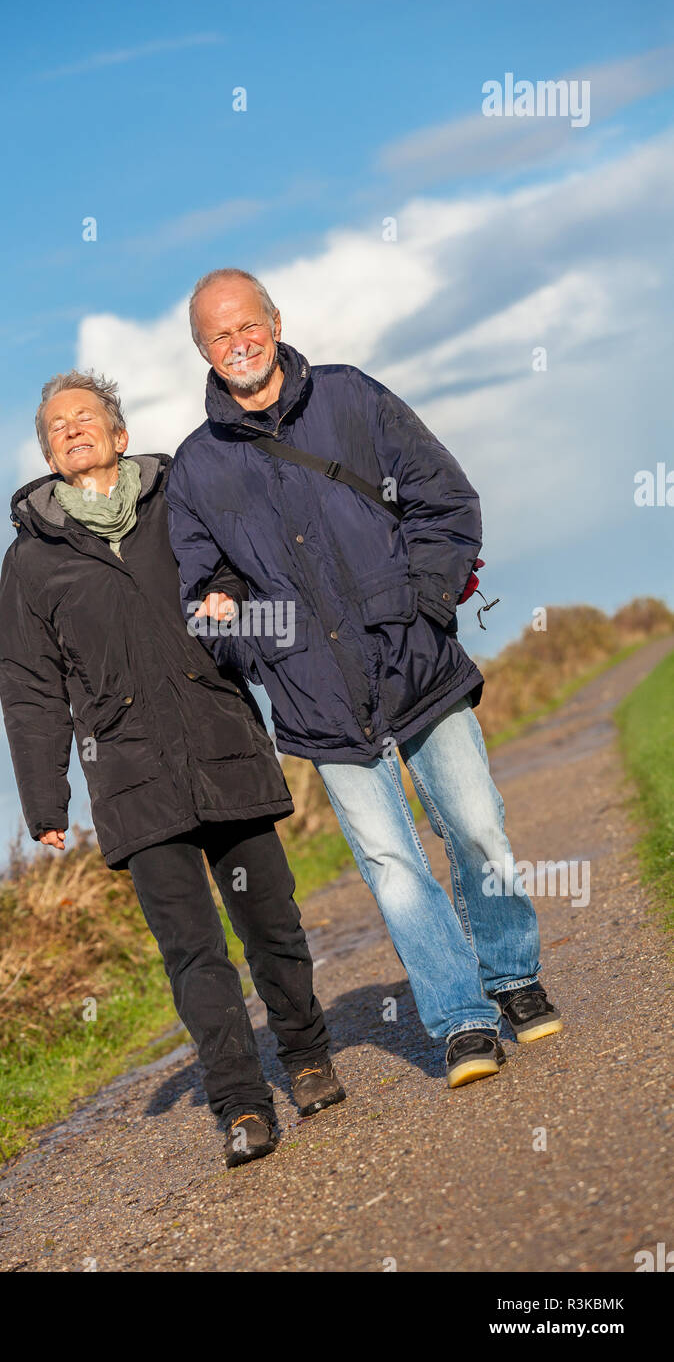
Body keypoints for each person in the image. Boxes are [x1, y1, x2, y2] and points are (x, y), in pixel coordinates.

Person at [165, 268, 562, 1090]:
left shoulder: (350, 396)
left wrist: (423, 602)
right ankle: (462, 1018)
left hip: (417, 660)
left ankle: (513, 975)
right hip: (319, 698)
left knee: (478, 826)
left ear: (274, 322)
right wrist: (270, 644)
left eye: (248, 325)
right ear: (200, 350)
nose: (238, 342)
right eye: (217, 335)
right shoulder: (197, 468)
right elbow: (208, 600)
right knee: (392, 863)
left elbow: (443, 499)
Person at [0, 369, 345, 1168]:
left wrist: (236, 617)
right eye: (57, 426)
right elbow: (28, 685)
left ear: (120, 434)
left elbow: (239, 571)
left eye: (87, 417)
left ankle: (308, 1056)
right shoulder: (29, 563)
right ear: (48, 454)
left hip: (221, 741)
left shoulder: (179, 498)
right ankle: (242, 1107)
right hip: (131, 779)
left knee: (272, 923)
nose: (73, 429)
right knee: (193, 954)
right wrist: (44, 797)